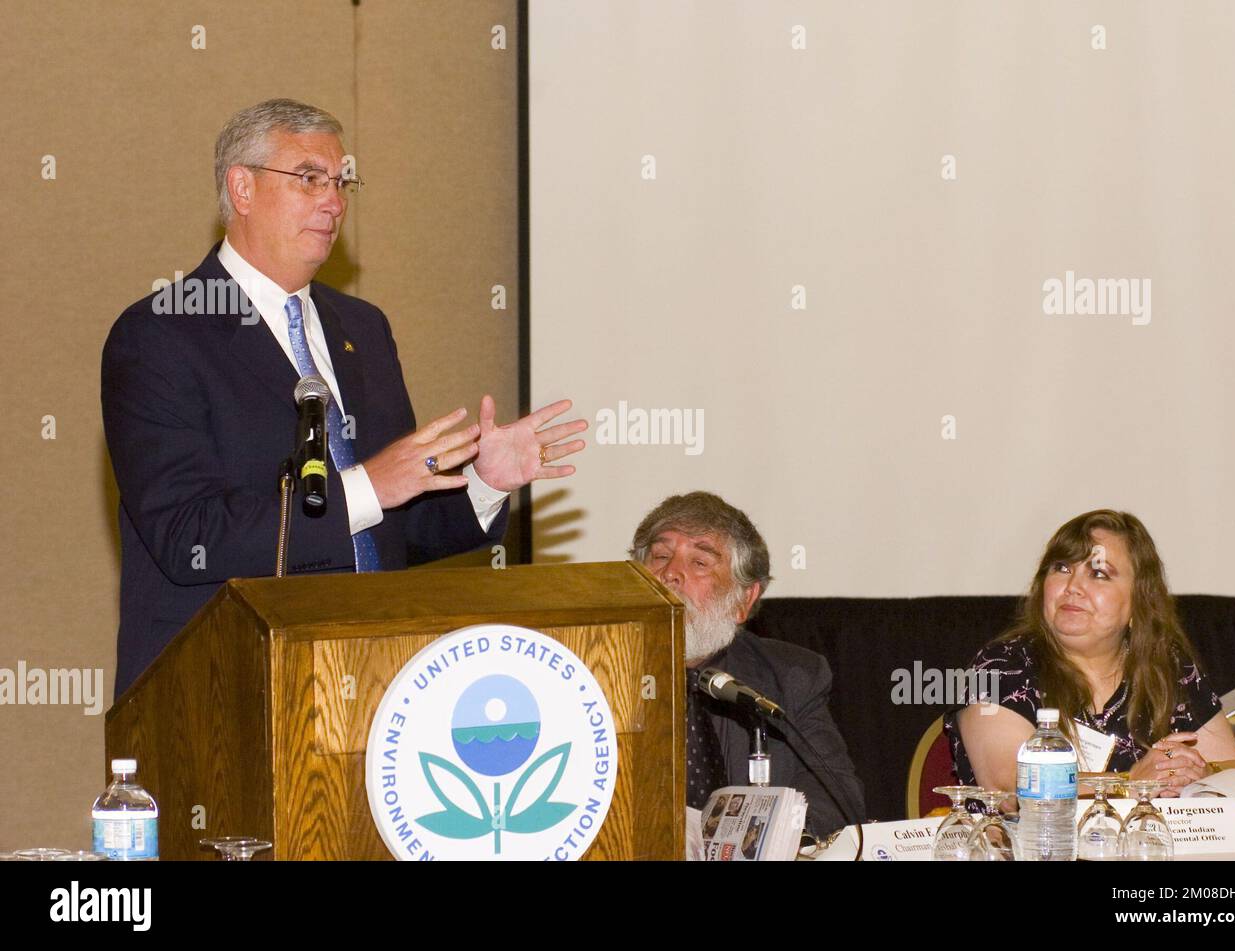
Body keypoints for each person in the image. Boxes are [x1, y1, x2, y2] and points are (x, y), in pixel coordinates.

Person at [102, 99, 586, 699]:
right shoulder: (161, 333)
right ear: (242, 188)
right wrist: (370, 486)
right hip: (220, 691)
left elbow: (387, 534)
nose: (334, 202)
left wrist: (484, 482)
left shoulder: (362, 327)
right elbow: (188, 537)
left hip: (368, 683)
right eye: (309, 179)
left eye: (341, 181)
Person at [946, 509, 1235, 796]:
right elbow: (1012, 787)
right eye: (1062, 568)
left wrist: (1198, 772)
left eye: (1099, 573)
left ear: (1139, 599)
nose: (1073, 586)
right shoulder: (1001, 667)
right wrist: (1130, 784)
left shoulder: (1166, 665)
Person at [630, 491, 865, 836]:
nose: (671, 574)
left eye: (699, 563)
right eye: (660, 556)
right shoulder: (595, 672)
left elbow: (836, 800)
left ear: (744, 598)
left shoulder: (791, 677)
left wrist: (766, 844)